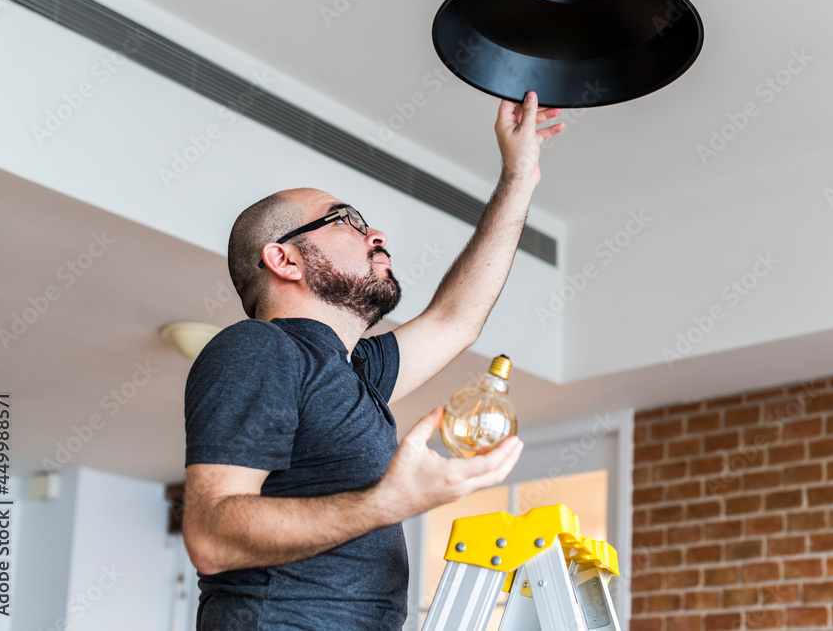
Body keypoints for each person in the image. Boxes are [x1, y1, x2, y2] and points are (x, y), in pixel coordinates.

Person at [181, 92, 564, 630]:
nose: (377, 234)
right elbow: (210, 536)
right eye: (346, 220)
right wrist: (389, 502)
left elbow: (457, 317)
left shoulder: (352, 371)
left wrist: (519, 176)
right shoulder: (259, 349)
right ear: (284, 258)